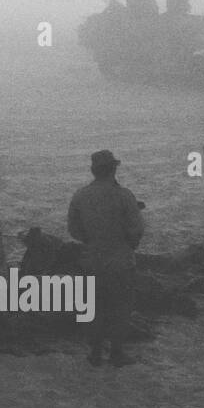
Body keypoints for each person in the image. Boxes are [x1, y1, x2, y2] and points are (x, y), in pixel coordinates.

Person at [67, 150, 145, 367]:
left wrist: (90, 240)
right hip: (120, 261)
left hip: (92, 259)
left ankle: (95, 352)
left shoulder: (80, 195)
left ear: (93, 170)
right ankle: (116, 352)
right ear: (113, 169)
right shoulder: (124, 196)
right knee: (120, 307)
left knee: (95, 307)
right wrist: (129, 243)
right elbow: (136, 229)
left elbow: (73, 229)